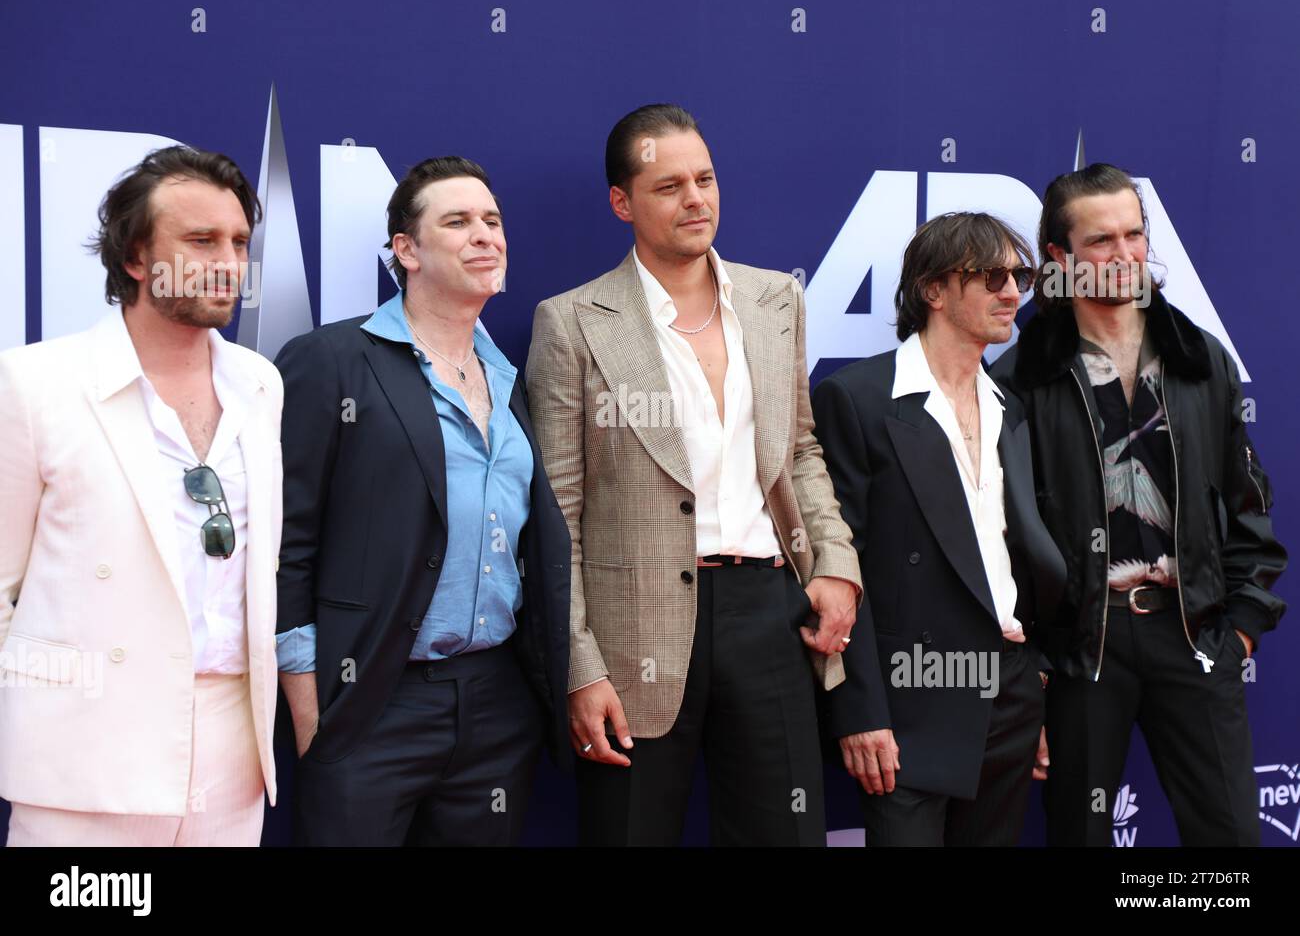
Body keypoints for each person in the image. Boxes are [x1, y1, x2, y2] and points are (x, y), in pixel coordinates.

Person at [526, 104, 861, 846]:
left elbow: (799, 449)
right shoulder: (572, 321)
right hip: (630, 628)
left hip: (769, 614)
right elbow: (558, 514)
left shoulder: (776, 300)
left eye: (705, 179)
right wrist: (579, 666)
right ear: (623, 203)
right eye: (669, 185)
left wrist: (836, 563)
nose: (695, 199)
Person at [274, 156, 570, 846]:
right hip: (371, 698)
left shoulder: (509, 376)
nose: (484, 236)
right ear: (405, 250)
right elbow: (288, 541)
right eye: (458, 221)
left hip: (496, 702)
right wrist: (313, 709)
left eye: (492, 221)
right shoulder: (334, 359)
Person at [991, 163, 1287, 845]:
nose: (1124, 256)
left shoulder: (1198, 361)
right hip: (1082, 649)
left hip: (1195, 636)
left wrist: (1239, 624)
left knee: (1231, 844)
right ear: (1060, 259)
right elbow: (1003, 532)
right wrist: (1036, 661)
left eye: (1134, 235)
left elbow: (1247, 501)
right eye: (1101, 241)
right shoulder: (1021, 376)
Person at [0, 145, 282, 845]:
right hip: (84, 761)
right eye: (200, 240)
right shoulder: (34, 385)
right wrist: (47, 708)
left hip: (231, 756)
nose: (228, 261)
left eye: (239, 241)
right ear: (134, 258)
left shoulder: (260, 383)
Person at [812, 212, 1065, 845]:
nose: (1012, 292)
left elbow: (1012, 552)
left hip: (1007, 692)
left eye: (1020, 275)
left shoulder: (1010, 406)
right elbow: (843, 568)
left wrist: (1030, 685)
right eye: (989, 276)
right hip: (911, 697)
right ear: (932, 290)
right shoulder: (859, 399)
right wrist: (859, 711)